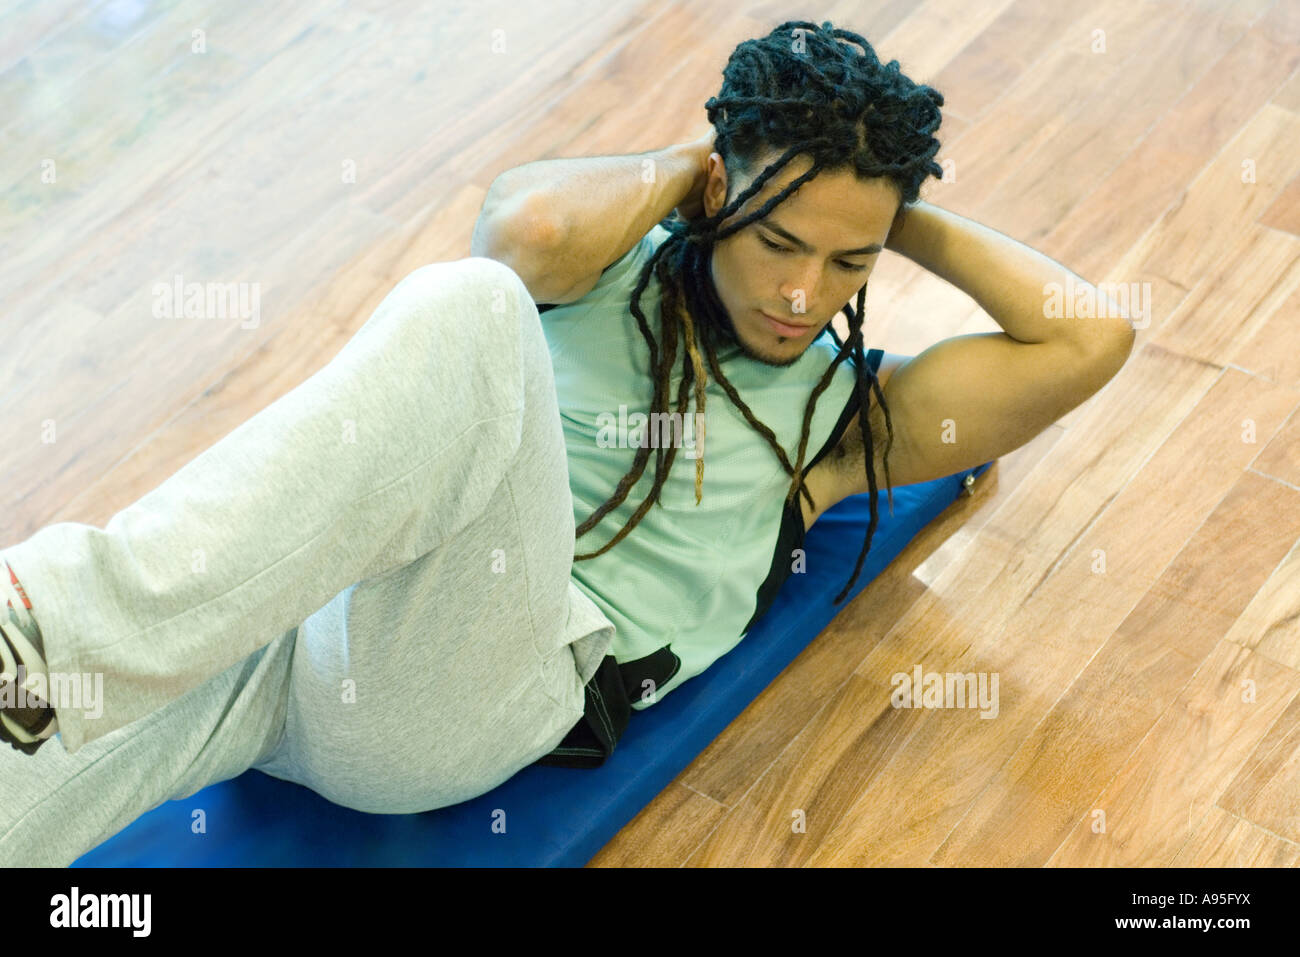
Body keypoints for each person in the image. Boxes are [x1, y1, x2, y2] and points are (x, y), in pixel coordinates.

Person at [0, 19, 1134, 866]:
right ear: (714, 192)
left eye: (847, 264)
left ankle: (50, 619)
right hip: (310, 630)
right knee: (36, 771)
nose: (801, 293)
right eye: (778, 238)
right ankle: (52, 654)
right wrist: (724, 160)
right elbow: (529, 227)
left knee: (472, 309)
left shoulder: (840, 421)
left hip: (471, 697)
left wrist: (880, 202)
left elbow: (1090, 339)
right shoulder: (602, 269)